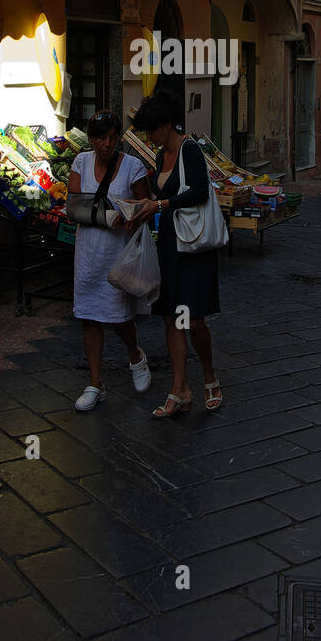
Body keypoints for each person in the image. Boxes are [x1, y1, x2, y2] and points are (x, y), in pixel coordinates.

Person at [129, 89, 222, 417]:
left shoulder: (190, 150)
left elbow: (198, 192)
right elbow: (162, 194)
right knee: (171, 317)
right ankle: (179, 388)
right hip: (169, 241)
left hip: (192, 245)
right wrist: (145, 205)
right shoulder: (159, 156)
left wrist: (161, 203)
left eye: (153, 130)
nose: (150, 137)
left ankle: (209, 375)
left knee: (194, 319)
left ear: (168, 124)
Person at [66, 110, 153, 412]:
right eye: (101, 137)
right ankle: (95, 382)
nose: (108, 143)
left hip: (119, 252)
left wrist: (133, 217)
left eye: (113, 137)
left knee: (119, 316)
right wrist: (107, 217)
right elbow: (74, 207)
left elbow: (146, 206)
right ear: (91, 139)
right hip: (89, 251)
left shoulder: (132, 166)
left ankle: (135, 354)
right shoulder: (81, 162)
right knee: (90, 316)